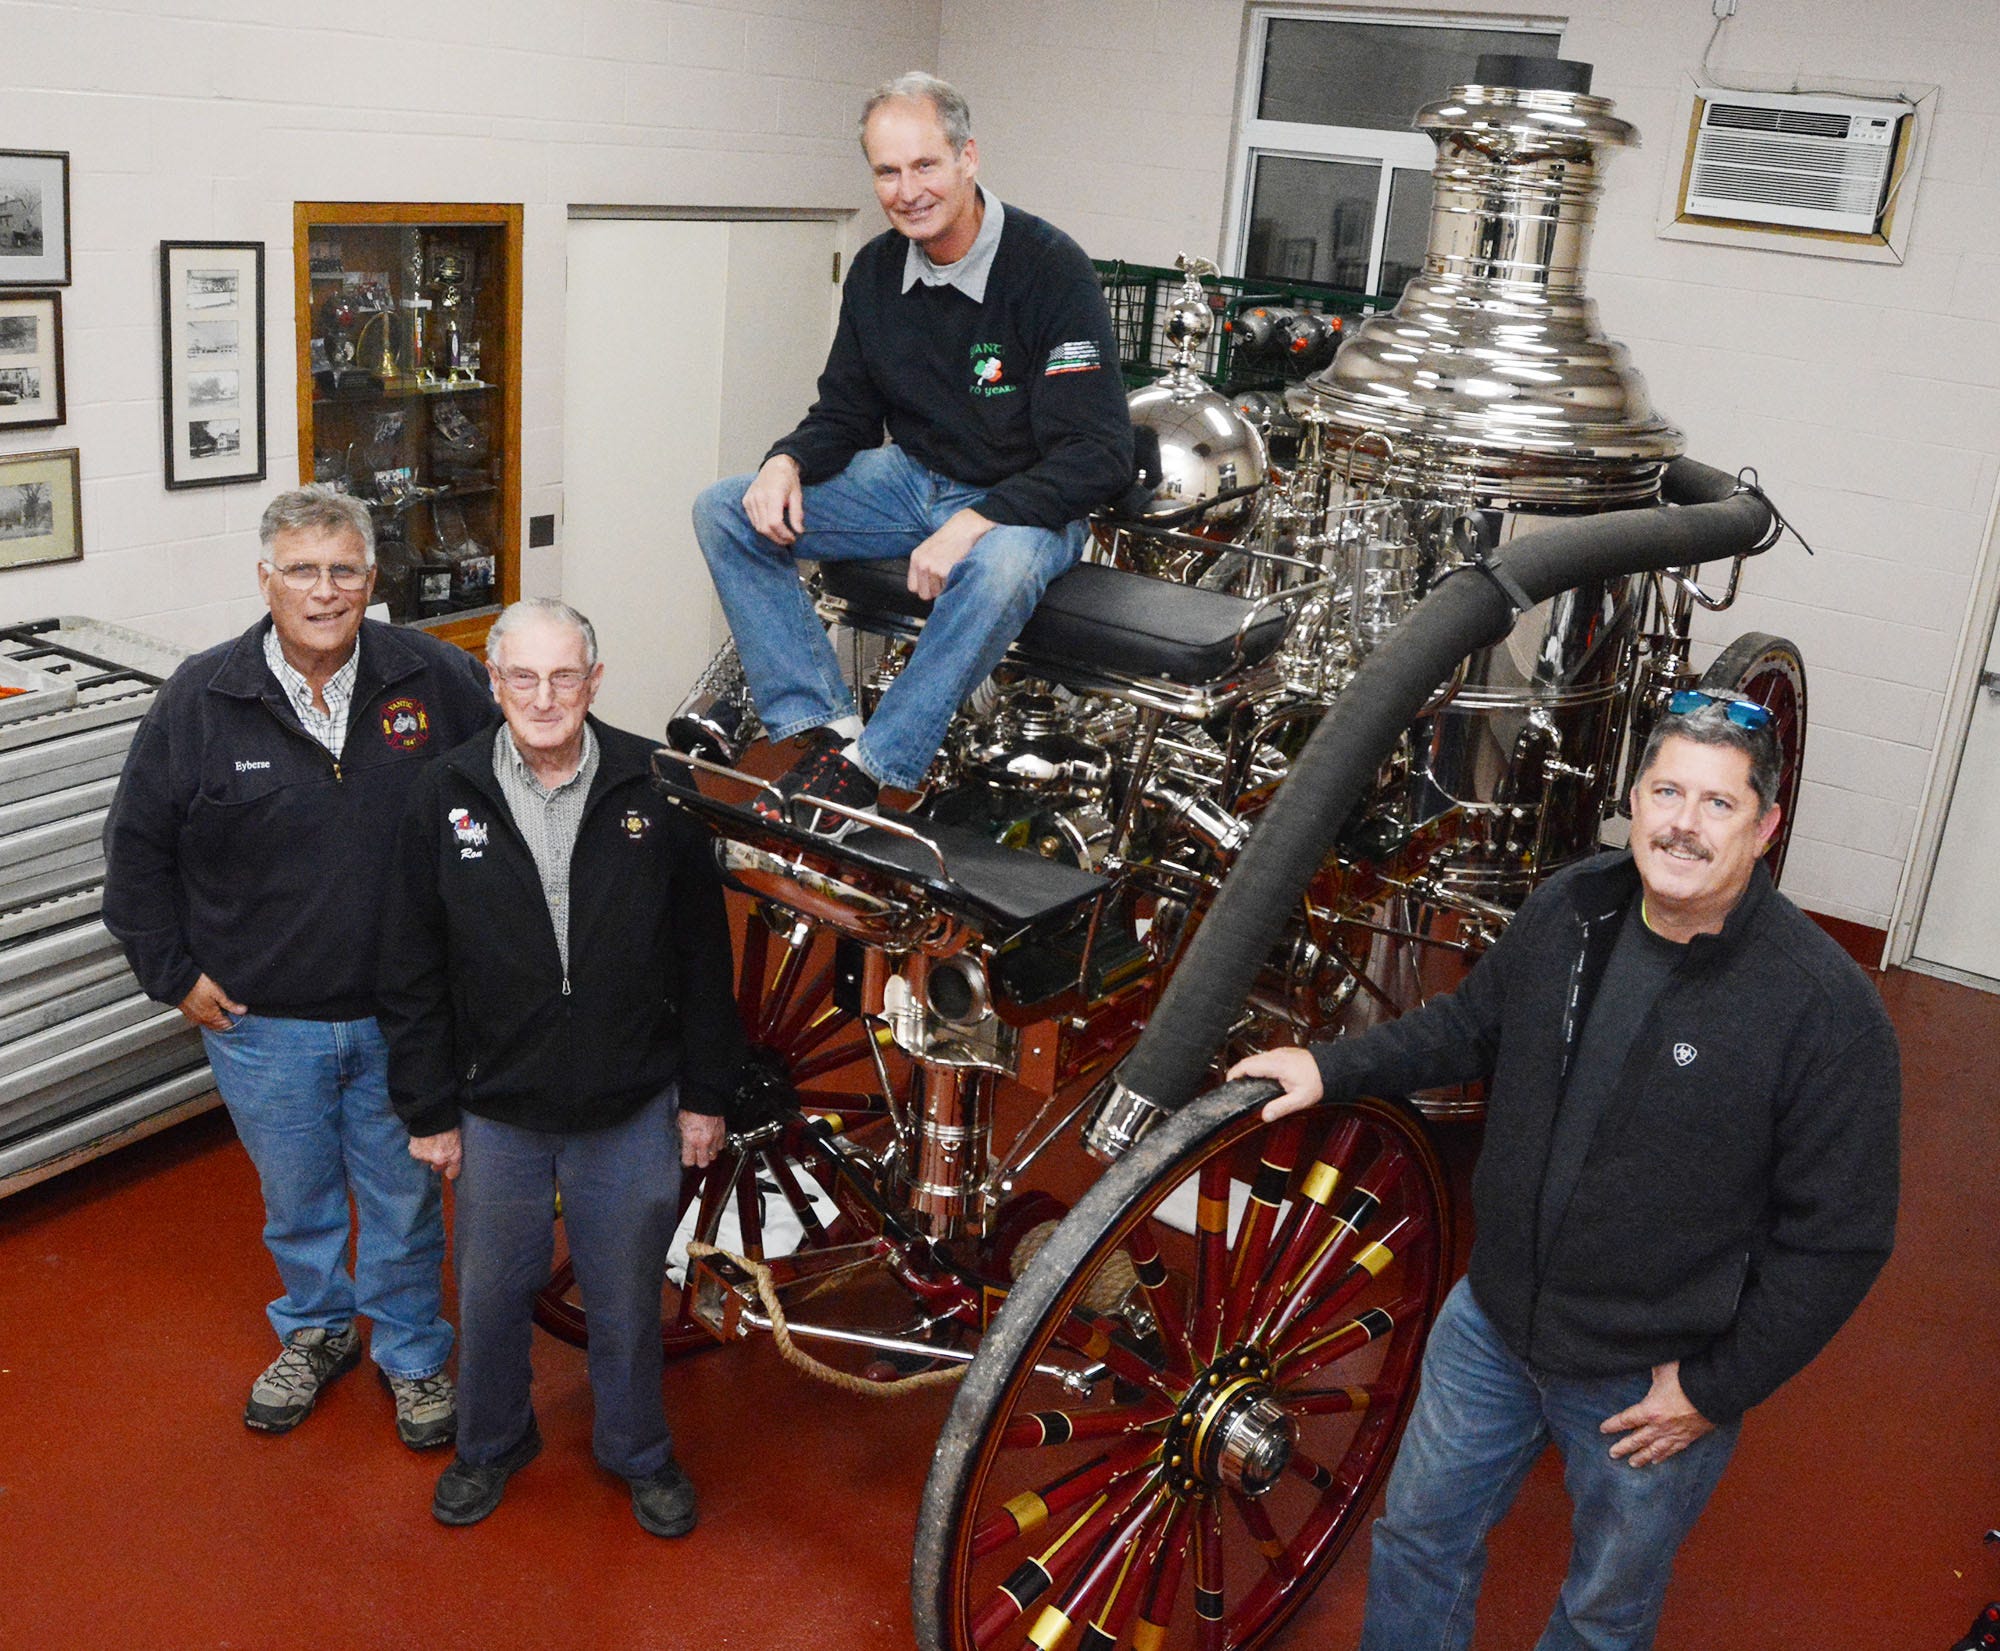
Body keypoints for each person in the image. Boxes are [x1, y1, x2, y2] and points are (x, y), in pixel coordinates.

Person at [1230, 692, 1901, 1651]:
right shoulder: (1573, 908)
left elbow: (1840, 1240)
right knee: (1418, 1541)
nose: (1684, 822)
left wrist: (1715, 1387)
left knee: (1601, 1612)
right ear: (1634, 798)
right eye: (1667, 791)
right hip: (1491, 1326)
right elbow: (1470, 1026)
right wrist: (1330, 1066)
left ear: (1765, 828)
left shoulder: (1823, 1010)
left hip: (1645, 1384)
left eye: (1718, 802)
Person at [102, 485, 496, 1448]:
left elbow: (503, 799)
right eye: (303, 570)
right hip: (261, 1023)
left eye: (345, 570)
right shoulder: (201, 697)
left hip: (403, 1015)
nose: (325, 590)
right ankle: (317, 1330)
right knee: (298, 1202)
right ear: (265, 579)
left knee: (403, 1199)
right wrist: (172, 974)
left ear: (373, 578)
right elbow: (136, 850)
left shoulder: (436, 677)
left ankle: (411, 1351)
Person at [377, 598, 744, 1535]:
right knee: (491, 1292)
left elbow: (704, 956)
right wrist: (428, 1109)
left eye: (564, 675)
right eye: (523, 676)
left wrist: (705, 1094)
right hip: (496, 1105)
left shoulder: (656, 788)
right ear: (493, 682)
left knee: (626, 1299)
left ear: (594, 681)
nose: (544, 697)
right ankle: (492, 1442)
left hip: (630, 1103)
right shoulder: (443, 793)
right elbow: (411, 968)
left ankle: (638, 1450)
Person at [692, 69, 1133, 820]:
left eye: (925, 165)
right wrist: (784, 461)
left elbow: (1100, 455)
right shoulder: (875, 269)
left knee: (997, 569)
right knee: (724, 509)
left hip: (1025, 503)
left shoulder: (1050, 268)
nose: (907, 191)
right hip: (908, 479)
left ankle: (873, 765)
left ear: (968, 157)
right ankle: (825, 726)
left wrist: (974, 522)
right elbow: (845, 413)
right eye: (887, 172)